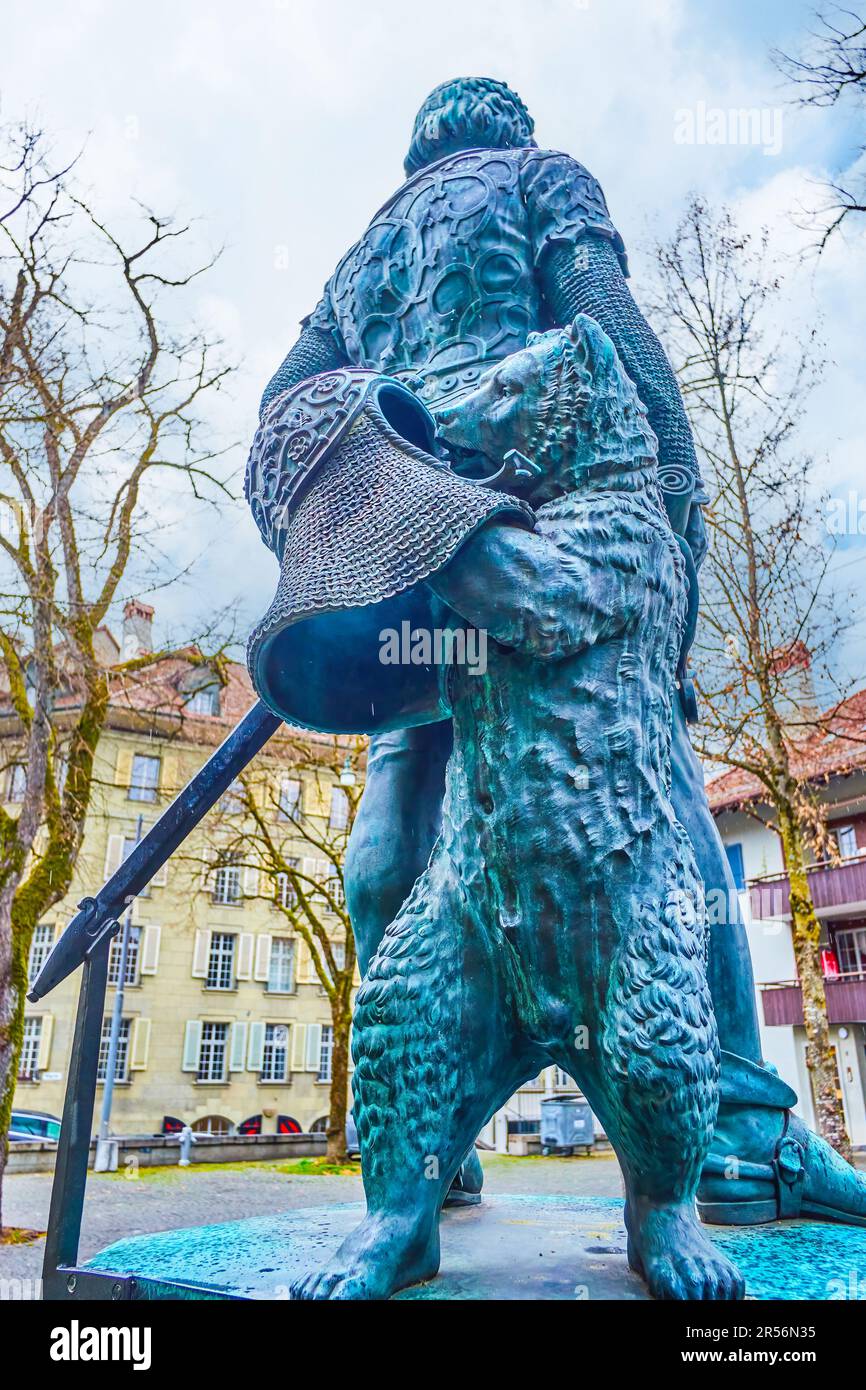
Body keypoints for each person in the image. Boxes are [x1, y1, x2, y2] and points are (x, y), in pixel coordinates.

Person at [251, 76, 866, 1226]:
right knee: (655, 804)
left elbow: (289, 414)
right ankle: (740, 1131)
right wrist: (672, 503)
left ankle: (427, 1148)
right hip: (544, 519)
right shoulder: (539, 178)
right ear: (506, 127)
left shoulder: (355, 261)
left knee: (393, 838)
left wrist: (360, 526)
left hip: (411, 552)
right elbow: (610, 337)